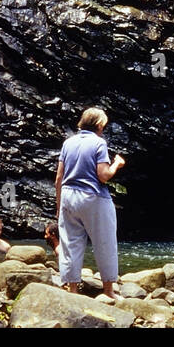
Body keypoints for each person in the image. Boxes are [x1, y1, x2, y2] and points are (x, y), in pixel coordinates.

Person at [55, 107, 124, 298]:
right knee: (105, 242)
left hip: (68, 196)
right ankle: (109, 291)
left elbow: (59, 178)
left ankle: (73, 290)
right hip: (93, 197)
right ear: (99, 125)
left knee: (70, 243)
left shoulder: (68, 143)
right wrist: (117, 163)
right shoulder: (98, 143)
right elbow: (103, 176)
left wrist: (59, 205)